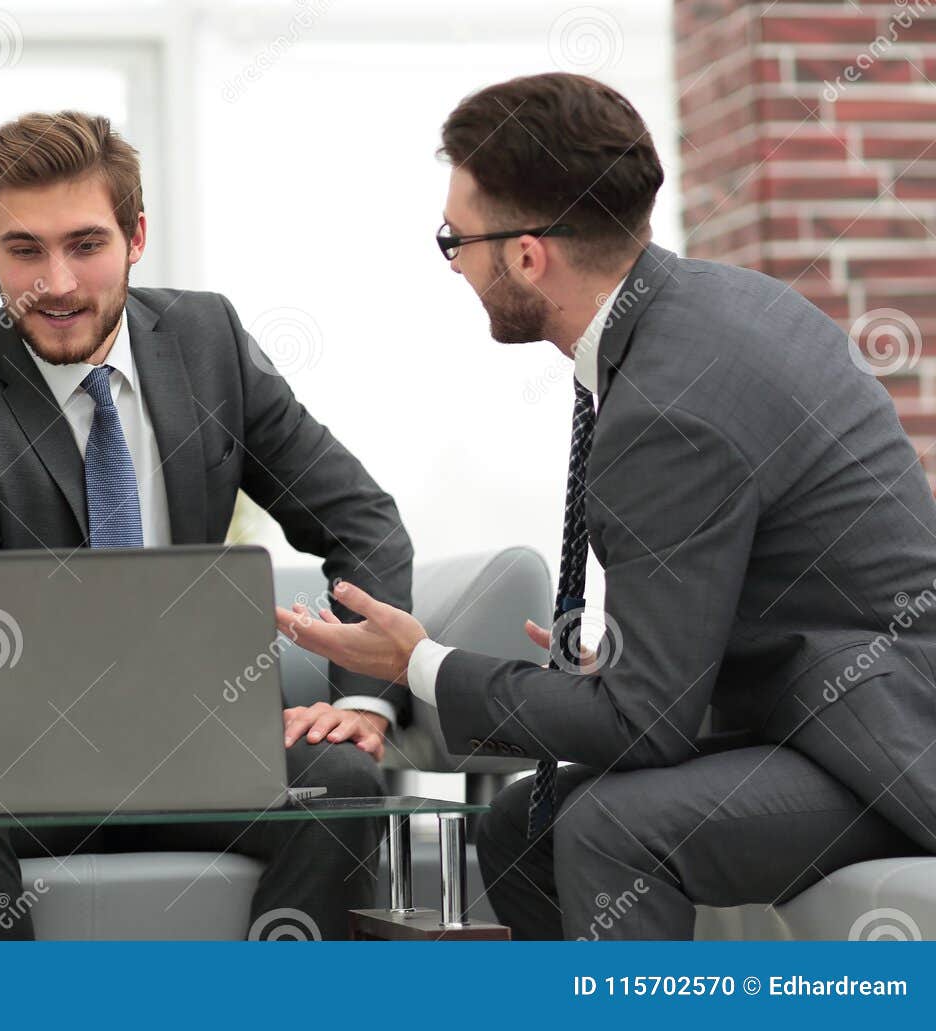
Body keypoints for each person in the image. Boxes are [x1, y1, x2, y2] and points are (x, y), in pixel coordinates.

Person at [278, 72, 936, 940]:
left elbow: (644, 725)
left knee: (610, 829)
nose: (457, 266)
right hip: (812, 704)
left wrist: (419, 663)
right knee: (520, 826)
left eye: (456, 239)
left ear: (526, 254)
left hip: (885, 745)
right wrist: (619, 665)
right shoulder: (712, 307)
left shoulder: (665, 407)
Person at [0, 110, 414, 940]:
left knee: (342, 779)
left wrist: (364, 698)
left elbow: (360, 518)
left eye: (85, 244)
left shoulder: (206, 343)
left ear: (136, 235)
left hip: (201, 750)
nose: (57, 282)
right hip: (20, 765)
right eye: (24, 250)